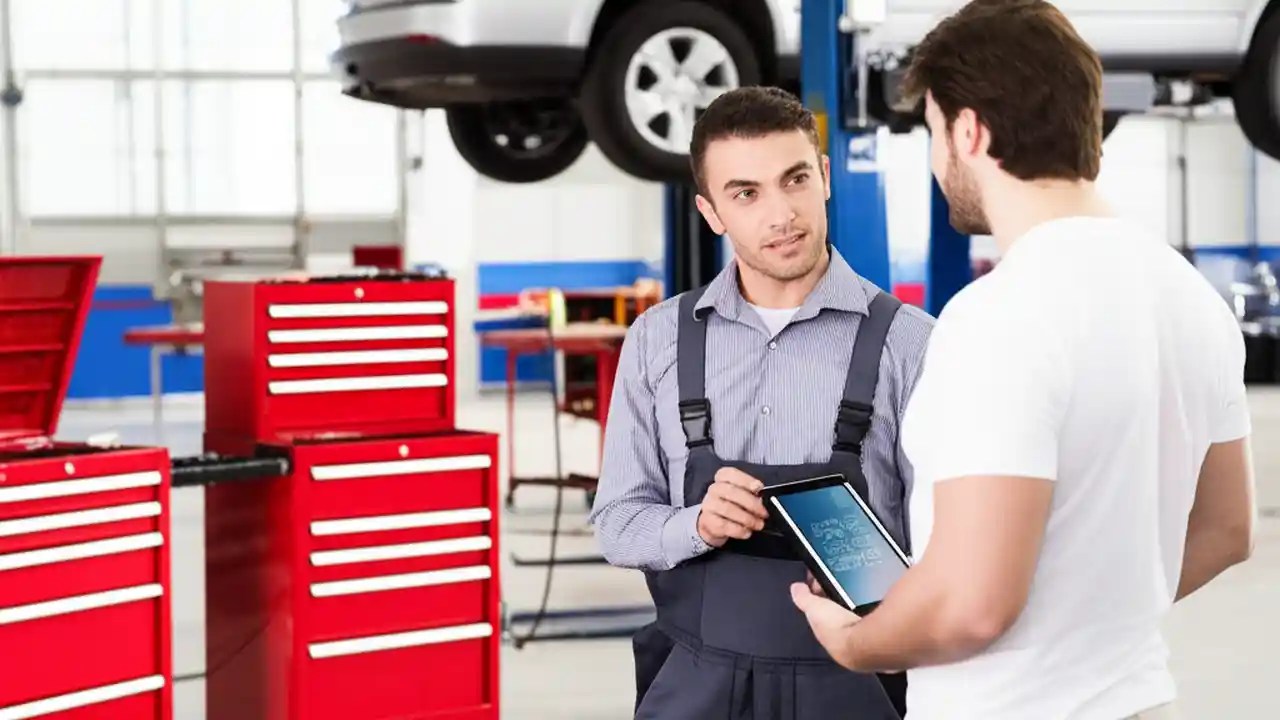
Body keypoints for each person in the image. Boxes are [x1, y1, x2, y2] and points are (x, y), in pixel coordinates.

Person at [788, 2, 1257, 719]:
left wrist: (858, 642)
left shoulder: (999, 317)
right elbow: (1227, 530)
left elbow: (975, 608)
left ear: (970, 130)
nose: (939, 158)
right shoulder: (1192, 298)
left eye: (936, 132)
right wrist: (1089, 619)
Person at [588, 85, 935, 719]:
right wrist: (694, 525)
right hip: (694, 686)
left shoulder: (912, 344)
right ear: (711, 211)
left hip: (857, 690)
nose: (781, 214)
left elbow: (947, 552)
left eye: (795, 179)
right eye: (746, 193)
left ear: (825, 176)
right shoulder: (657, 340)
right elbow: (616, 520)